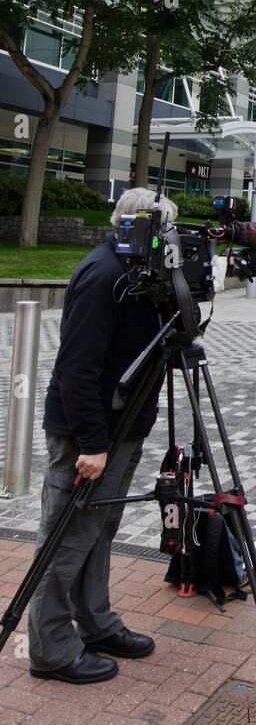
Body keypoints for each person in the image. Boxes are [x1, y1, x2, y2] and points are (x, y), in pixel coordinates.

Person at [28, 187, 178, 685]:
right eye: (163, 232)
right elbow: (77, 368)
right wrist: (92, 444)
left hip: (123, 426)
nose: (169, 242)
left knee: (98, 529)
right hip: (89, 433)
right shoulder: (103, 275)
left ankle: (94, 623)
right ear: (138, 228)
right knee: (67, 537)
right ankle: (51, 649)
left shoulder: (139, 274)